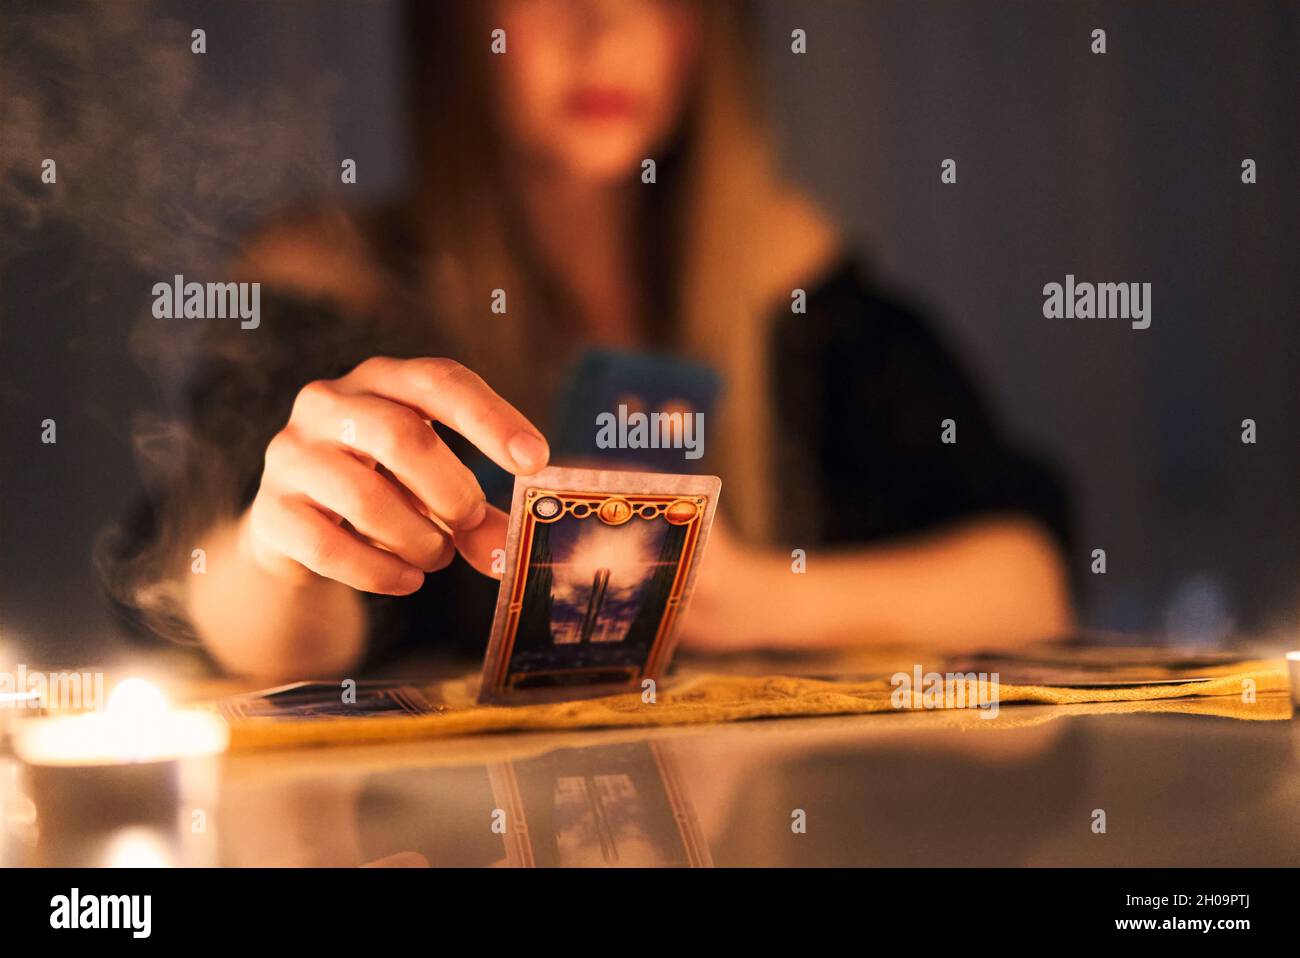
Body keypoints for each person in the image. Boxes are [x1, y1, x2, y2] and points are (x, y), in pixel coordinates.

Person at [102, 0, 1073, 681]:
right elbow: (213, 602)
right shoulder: (331, 285)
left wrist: (749, 600)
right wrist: (285, 560)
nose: (603, 27)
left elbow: (1028, 583)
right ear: (457, 24)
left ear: (704, 31)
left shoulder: (796, 286)